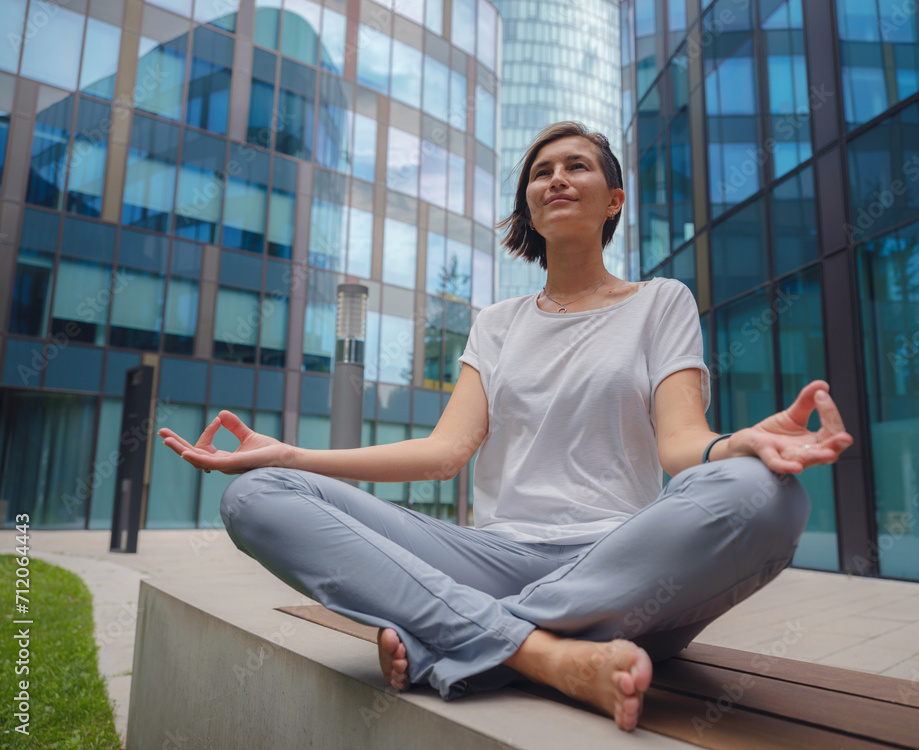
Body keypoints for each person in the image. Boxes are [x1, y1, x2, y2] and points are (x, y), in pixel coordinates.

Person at [158, 122, 853, 732]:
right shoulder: (497, 324)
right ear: (529, 202)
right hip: (490, 560)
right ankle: (544, 655)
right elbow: (442, 453)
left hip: (629, 568)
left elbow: (681, 446)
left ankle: (456, 632)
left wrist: (740, 446)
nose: (556, 177)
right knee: (255, 495)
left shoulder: (660, 303)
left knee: (771, 493)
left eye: (577, 165)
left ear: (613, 201)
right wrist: (295, 455)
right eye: (541, 171)